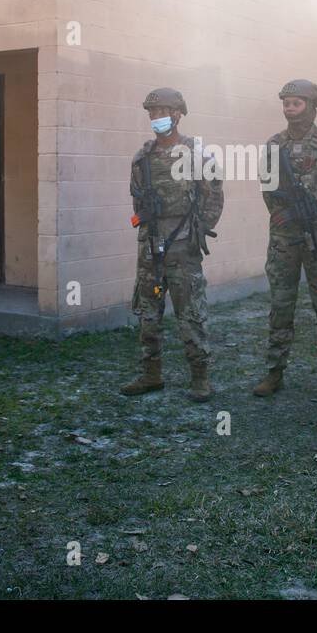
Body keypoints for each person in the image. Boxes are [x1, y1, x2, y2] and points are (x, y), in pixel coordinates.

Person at [252, 80, 317, 404]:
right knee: (281, 306)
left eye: (296, 103)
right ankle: (274, 372)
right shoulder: (273, 145)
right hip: (285, 240)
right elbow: (268, 190)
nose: (290, 109)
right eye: (286, 103)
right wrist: (283, 214)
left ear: (312, 106)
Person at [121, 88, 224, 400]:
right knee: (148, 312)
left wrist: (199, 230)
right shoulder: (143, 158)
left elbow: (214, 197)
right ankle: (151, 374)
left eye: (163, 112)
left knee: (190, 313)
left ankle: (200, 378)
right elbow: (137, 198)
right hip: (151, 245)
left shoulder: (196, 153)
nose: (157, 118)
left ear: (178, 114)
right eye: (152, 113)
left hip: (182, 246)